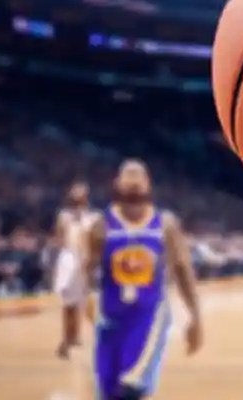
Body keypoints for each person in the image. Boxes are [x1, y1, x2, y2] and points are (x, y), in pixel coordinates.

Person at [85, 159, 203, 400]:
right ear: (117, 183)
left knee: (132, 390)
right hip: (111, 319)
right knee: (107, 393)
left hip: (150, 318)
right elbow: (86, 270)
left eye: (139, 174)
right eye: (128, 174)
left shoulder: (166, 224)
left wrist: (195, 317)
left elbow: (183, 269)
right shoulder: (101, 225)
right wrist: (88, 297)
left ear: (148, 184)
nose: (134, 179)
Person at [53, 181, 98, 358]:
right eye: (75, 192)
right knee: (67, 302)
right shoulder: (63, 216)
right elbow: (59, 239)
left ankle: (75, 335)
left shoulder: (93, 217)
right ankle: (66, 339)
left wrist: (91, 261)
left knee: (82, 301)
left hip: (84, 259)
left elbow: (95, 241)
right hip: (68, 257)